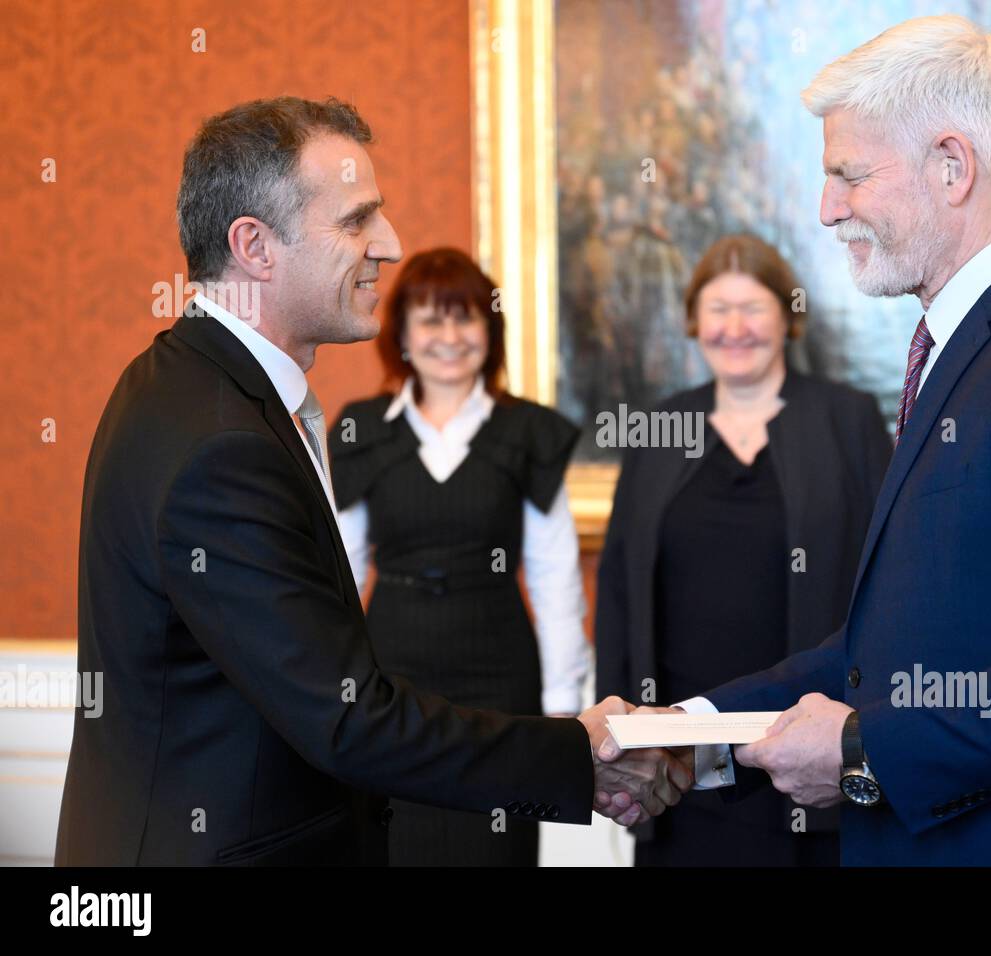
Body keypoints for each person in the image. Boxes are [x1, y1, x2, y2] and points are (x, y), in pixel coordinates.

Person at [620, 15, 991, 866]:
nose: (827, 210)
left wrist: (864, 751)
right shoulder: (979, 341)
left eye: (849, 176)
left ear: (952, 166)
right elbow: (895, 652)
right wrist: (691, 729)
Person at [55, 96, 688, 866]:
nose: (388, 245)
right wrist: (575, 753)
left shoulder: (182, 383)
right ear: (254, 245)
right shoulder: (221, 442)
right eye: (357, 221)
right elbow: (345, 719)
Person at [596, 235, 891, 866]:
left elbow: (891, 580)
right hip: (679, 763)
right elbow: (620, 594)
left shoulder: (848, 420)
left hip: (809, 756)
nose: (735, 328)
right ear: (693, 321)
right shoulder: (658, 430)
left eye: (752, 308)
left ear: (788, 318)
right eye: (717, 309)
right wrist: (623, 743)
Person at [329, 248, 589, 866]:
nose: (449, 337)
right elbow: (337, 570)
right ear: (403, 336)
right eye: (430, 320)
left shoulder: (529, 434)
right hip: (391, 678)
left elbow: (557, 581)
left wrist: (562, 713)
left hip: (501, 678)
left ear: (489, 332)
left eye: (465, 318)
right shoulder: (361, 431)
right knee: (394, 845)